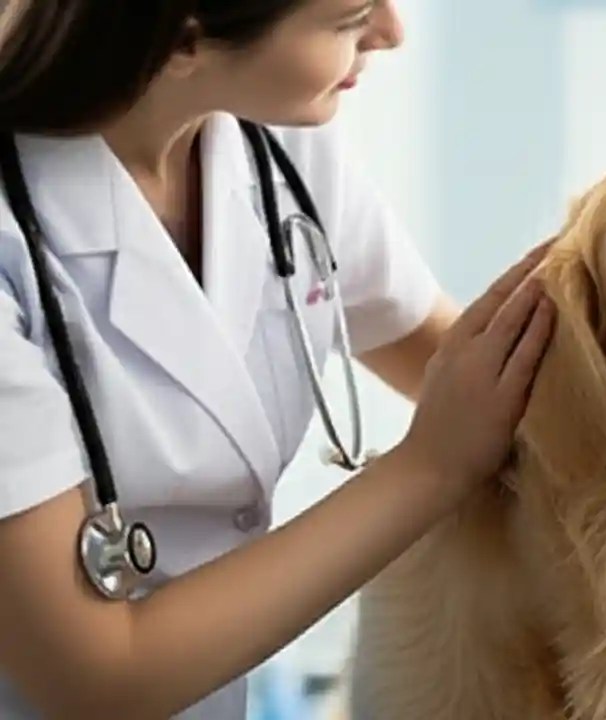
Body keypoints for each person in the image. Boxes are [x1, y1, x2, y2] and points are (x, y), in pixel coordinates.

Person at [0, 1, 557, 718]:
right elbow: (98, 675)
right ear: (182, 38)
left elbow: (469, 373)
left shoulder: (279, 151)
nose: (391, 32)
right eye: (348, 17)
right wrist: (431, 467)